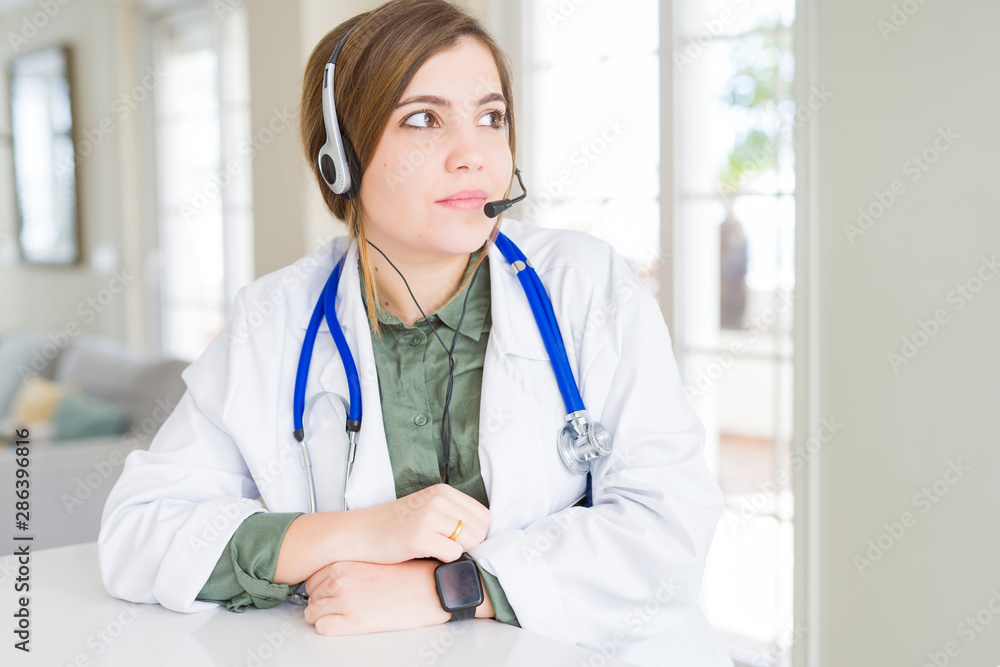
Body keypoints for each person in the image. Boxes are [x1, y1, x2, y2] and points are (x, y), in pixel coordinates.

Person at [98, 1, 731, 664]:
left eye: (491, 117)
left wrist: (450, 587)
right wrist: (365, 532)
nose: (474, 155)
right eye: (423, 119)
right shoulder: (273, 317)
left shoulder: (587, 285)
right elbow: (140, 532)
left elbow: (669, 530)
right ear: (339, 158)